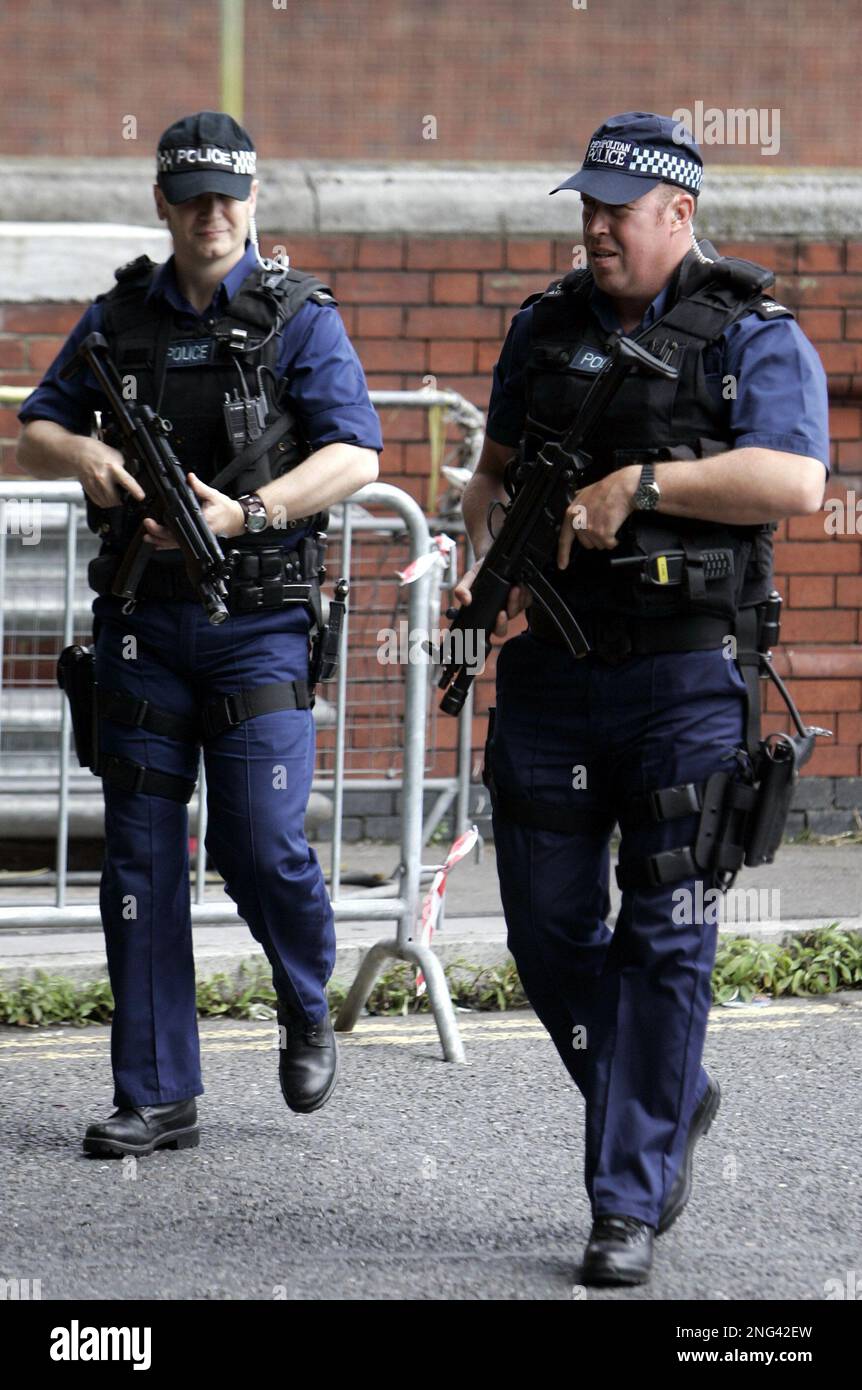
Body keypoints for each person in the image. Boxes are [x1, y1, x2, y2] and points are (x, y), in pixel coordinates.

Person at [455, 112, 829, 1285]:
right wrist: (486, 567)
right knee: (546, 924)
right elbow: (493, 476)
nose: (597, 225)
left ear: (681, 211)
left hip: (681, 673)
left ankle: (625, 1200)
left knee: (665, 928)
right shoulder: (544, 327)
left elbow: (795, 478)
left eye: (620, 208)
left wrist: (645, 483)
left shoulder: (751, 334)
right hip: (554, 673)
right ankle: (667, 1093)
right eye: (587, 205)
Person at [17, 111, 381, 1156]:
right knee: (137, 860)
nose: (211, 211)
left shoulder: (298, 316)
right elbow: (38, 420)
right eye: (192, 194)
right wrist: (82, 457)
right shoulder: (117, 317)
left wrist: (250, 511)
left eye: (229, 193)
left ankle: (305, 996)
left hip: (257, 621)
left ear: (252, 199)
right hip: (140, 624)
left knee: (259, 846)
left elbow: (356, 453)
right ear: (163, 203)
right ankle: (158, 1091)